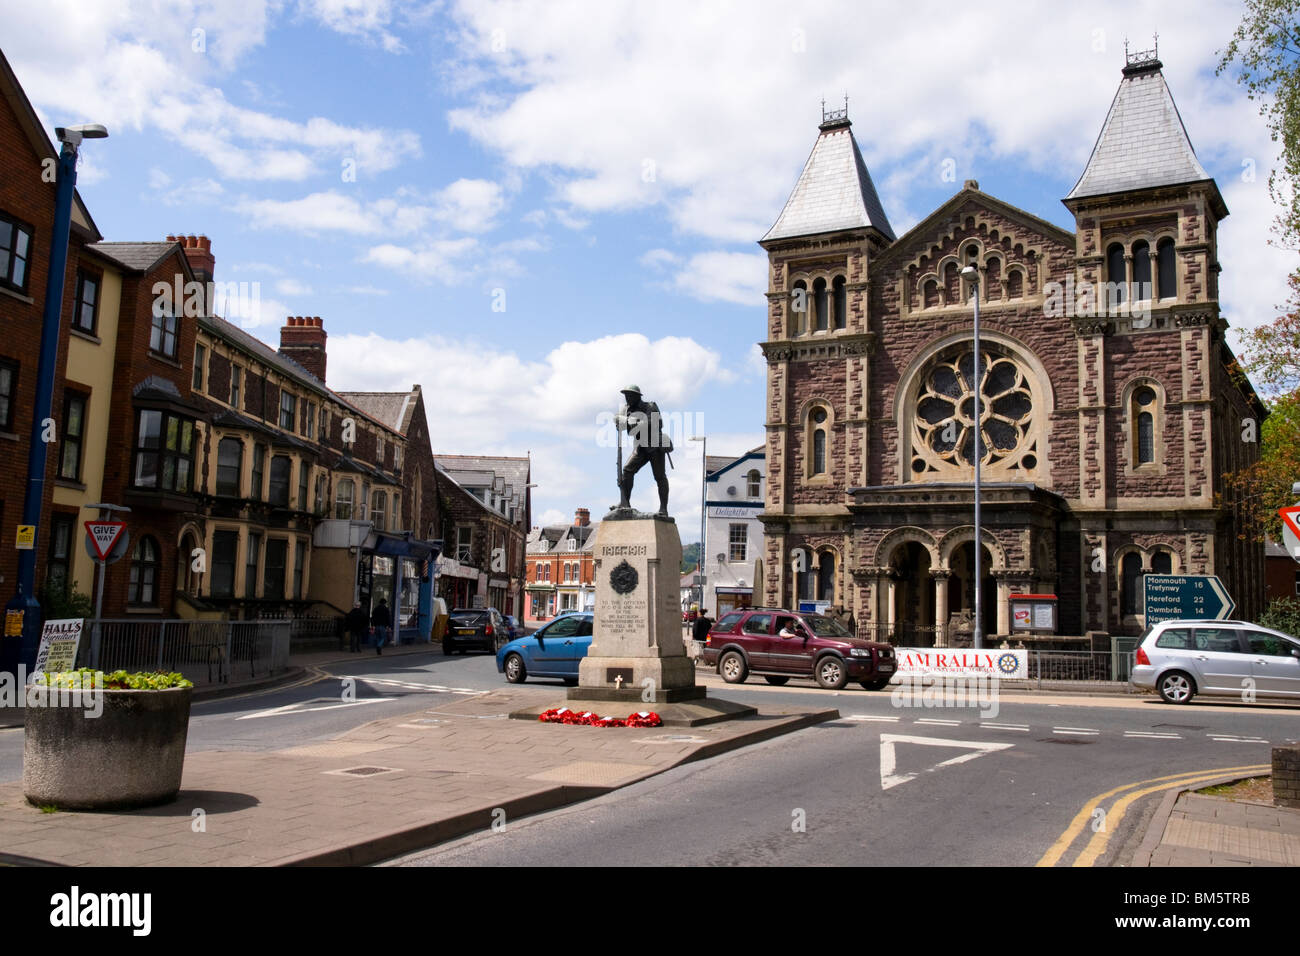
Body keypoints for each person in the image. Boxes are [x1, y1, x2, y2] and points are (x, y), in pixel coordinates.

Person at [616, 385, 672, 515]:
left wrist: (630, 421)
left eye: (629, 396)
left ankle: (663, 508)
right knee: (627, 470)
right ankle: (625, 502)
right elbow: (620, 423)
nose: (627, 398)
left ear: (637, 396)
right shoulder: (626, 409)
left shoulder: (650, 406)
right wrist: (620, 422)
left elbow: (655, 423)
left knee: (660, 477)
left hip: (655, 446)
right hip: (640, 446)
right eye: (625, 396)